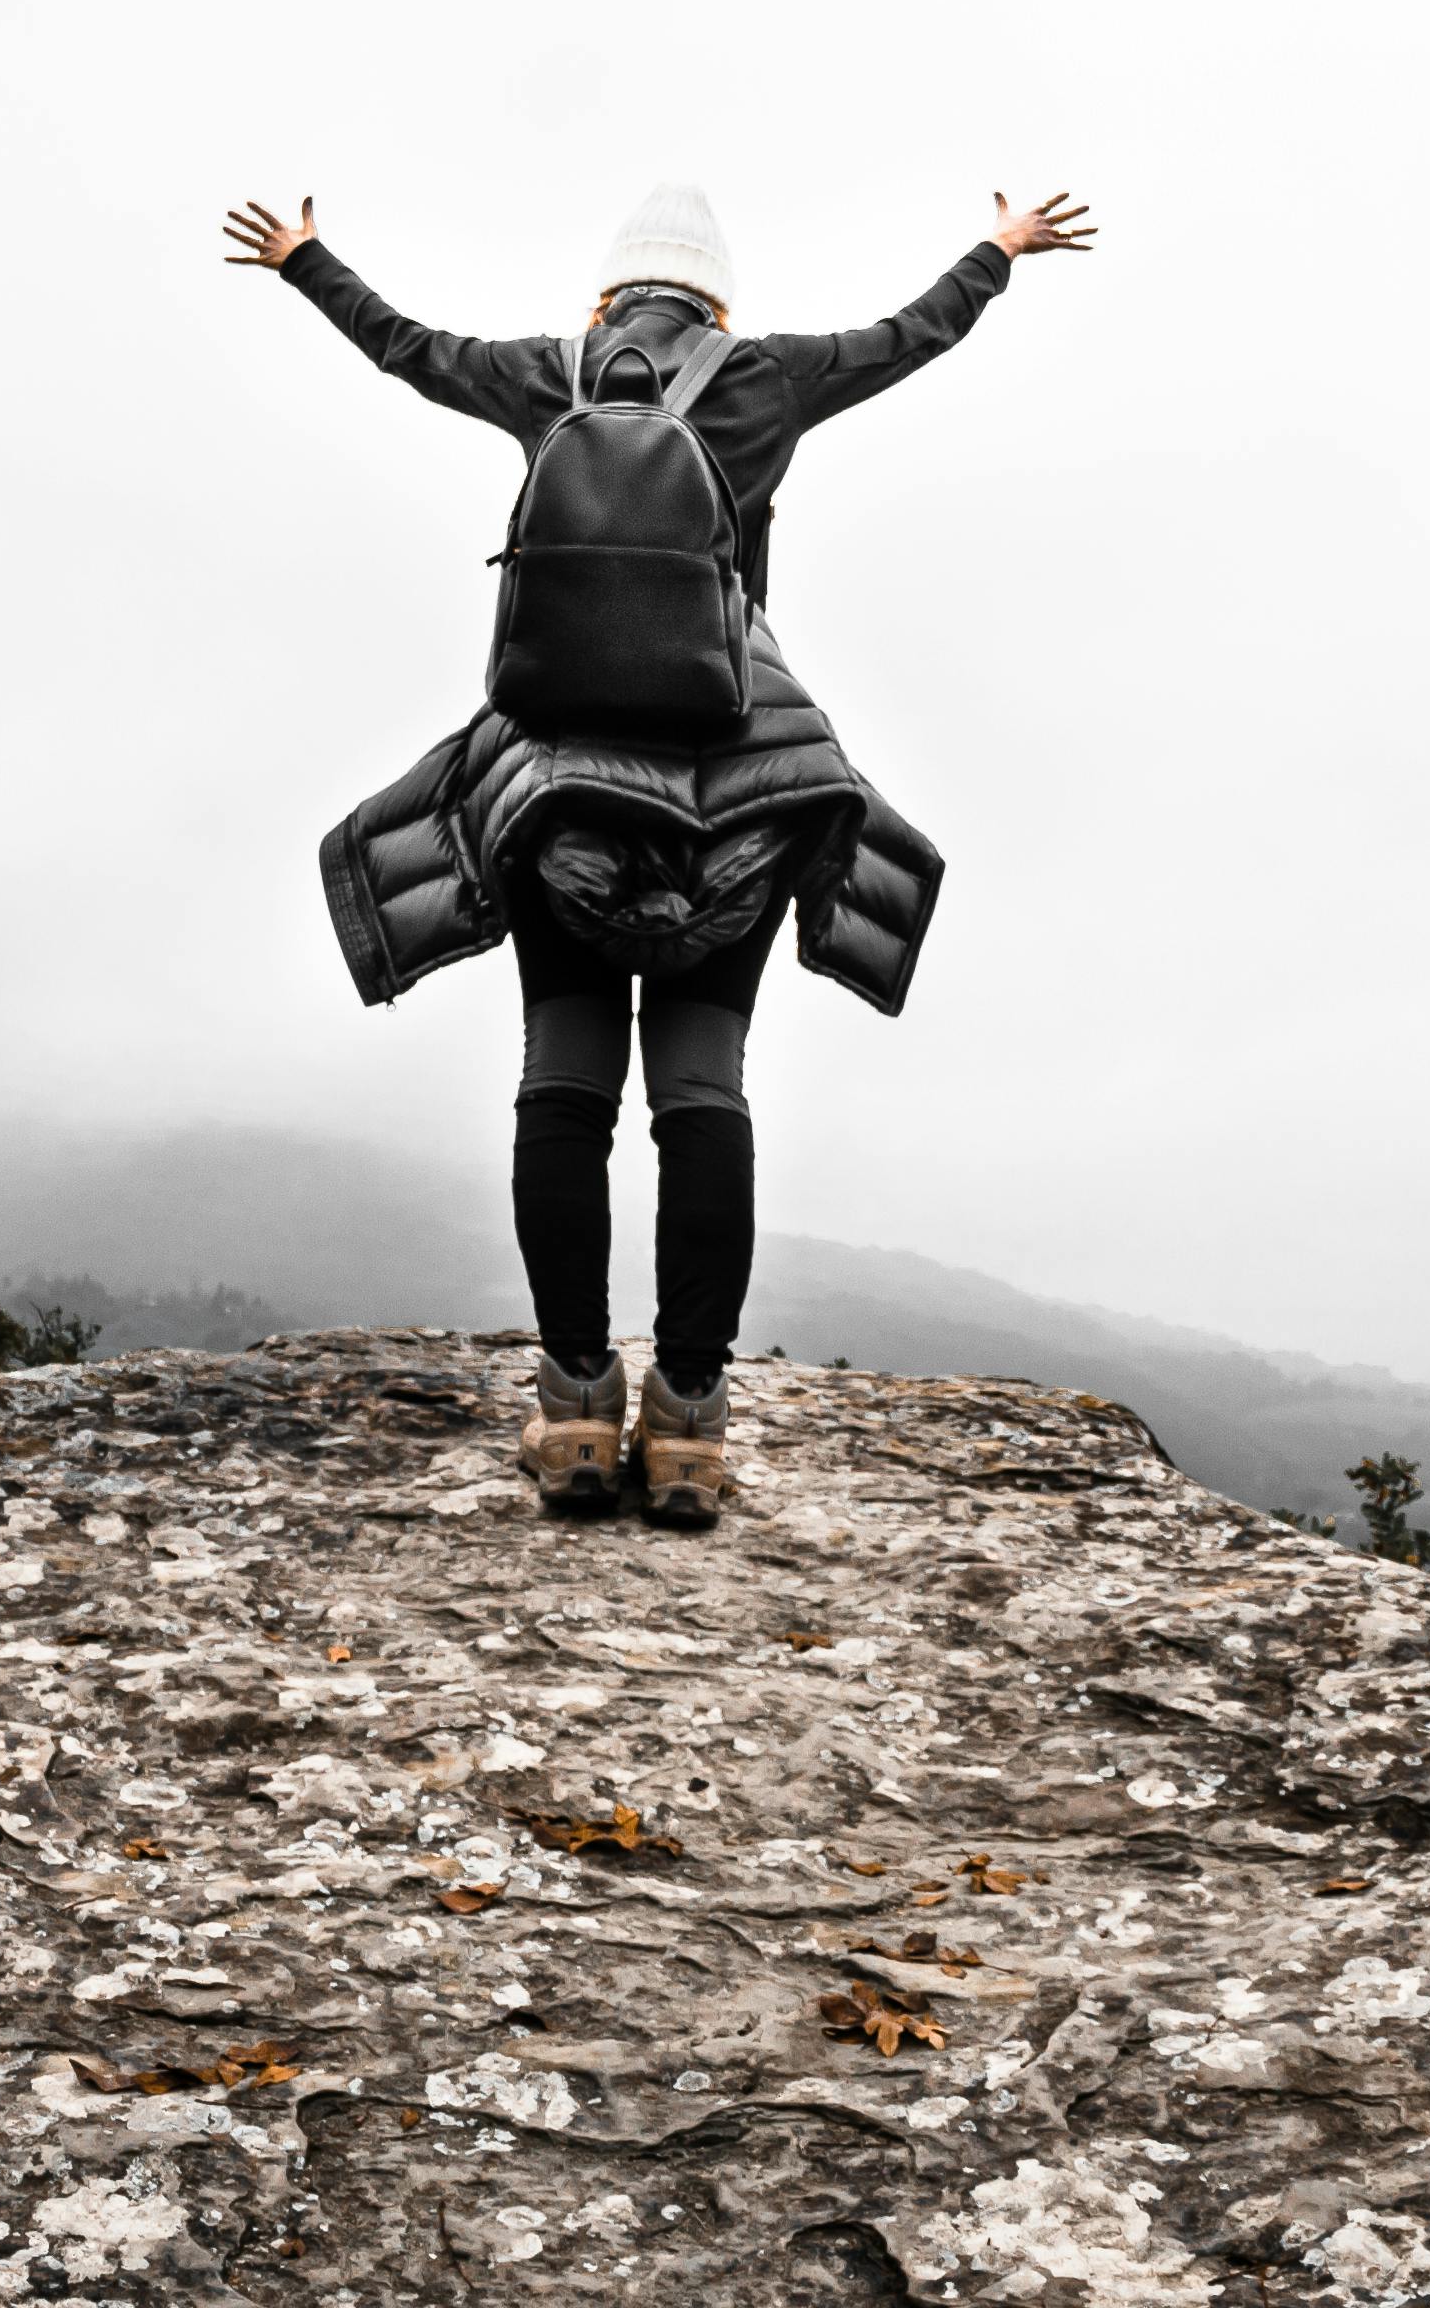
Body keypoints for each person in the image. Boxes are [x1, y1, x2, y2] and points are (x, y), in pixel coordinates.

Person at [220, 179, 1095, 1527]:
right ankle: (687, 1428)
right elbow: (912, 334)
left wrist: (305, 260)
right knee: (702, 1090)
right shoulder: (770, 379)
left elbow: (408, 349)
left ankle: (574, 1413)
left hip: (561, 793)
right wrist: (1001, 250)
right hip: (742, 794)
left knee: (566, 1083)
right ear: (719, 303)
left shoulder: (550, 376)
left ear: (607, 302)